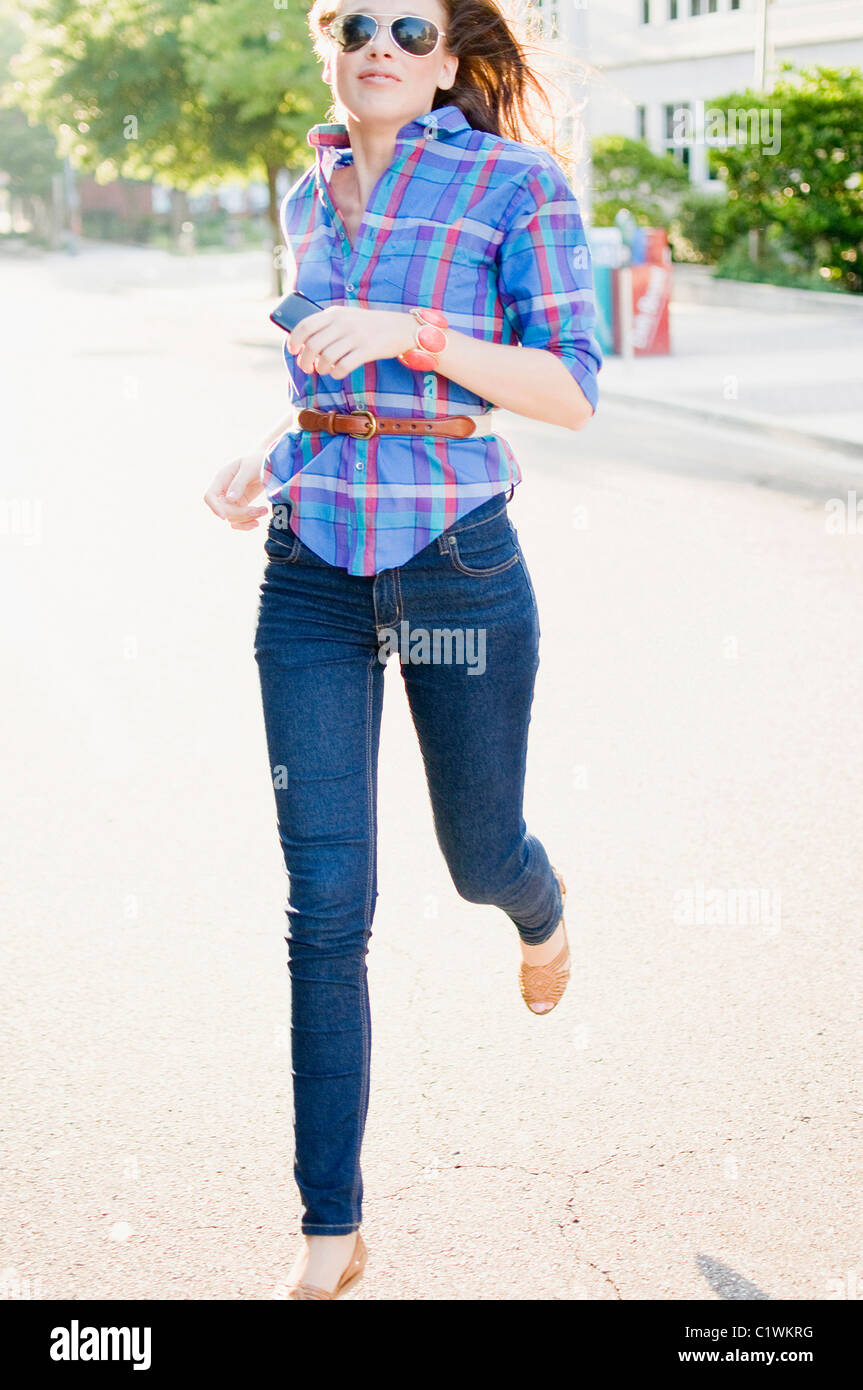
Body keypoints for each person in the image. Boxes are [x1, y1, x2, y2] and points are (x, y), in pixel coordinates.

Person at [203, 0, 602, 1300]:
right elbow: (325, 393)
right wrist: (265, 457)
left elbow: (570, 391)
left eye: (410, 29)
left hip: (458, 562)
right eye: (358, 22)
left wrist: (414, 333)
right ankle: (332, 1234)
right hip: (311, 567)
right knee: (325, 908)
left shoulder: (513, 182)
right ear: (333, 43)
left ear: (447, 62)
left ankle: (540, 912)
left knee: (479, 852)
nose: (380, 43)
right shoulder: (314, 193)